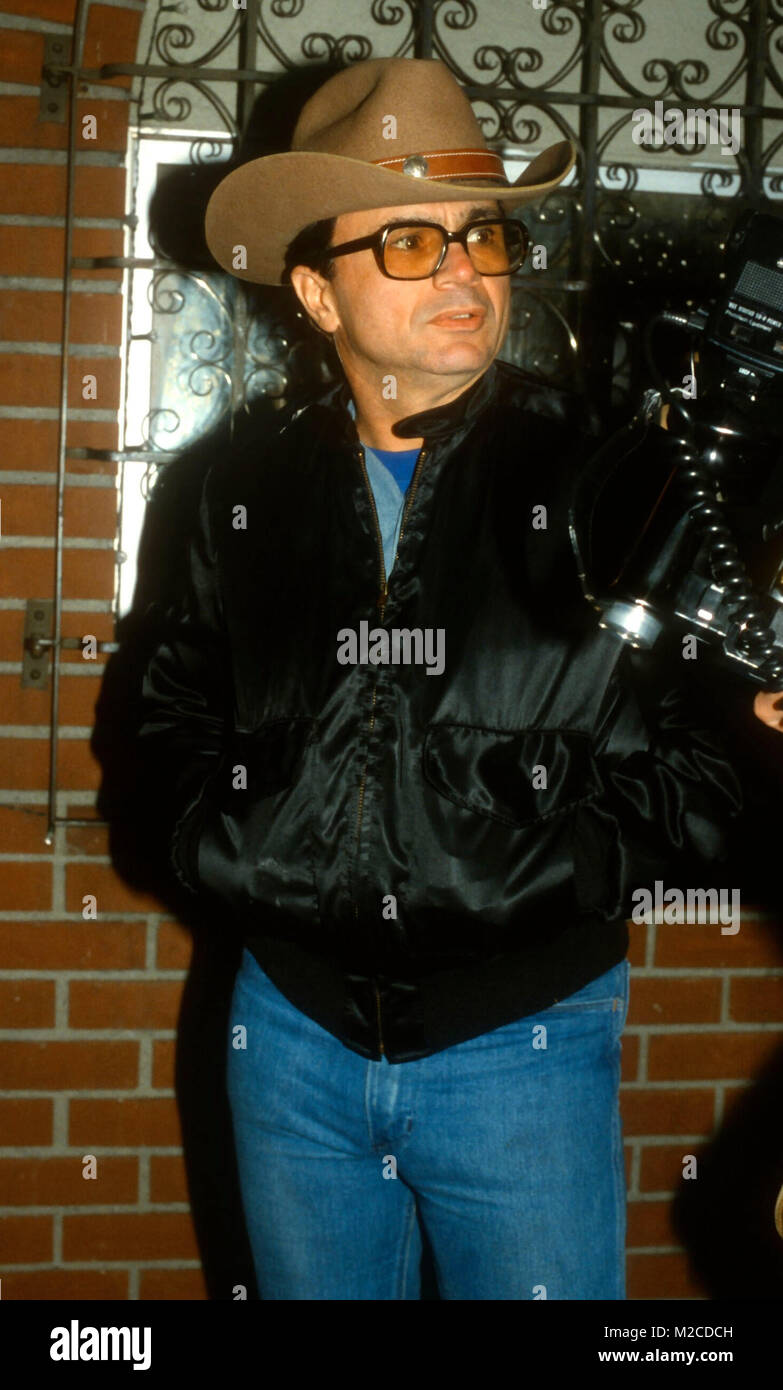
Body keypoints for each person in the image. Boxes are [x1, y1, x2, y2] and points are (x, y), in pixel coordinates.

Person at [130, 58, 775, 1301]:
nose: (468, 270)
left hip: (522, 1049)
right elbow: (163, 718)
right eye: (413, 241)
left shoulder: (622, 478)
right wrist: (238, 853)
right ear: (316, 292)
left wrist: (539, 867)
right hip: (288, 1040)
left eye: (482, 235)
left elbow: (710, 770)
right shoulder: (235, 490)